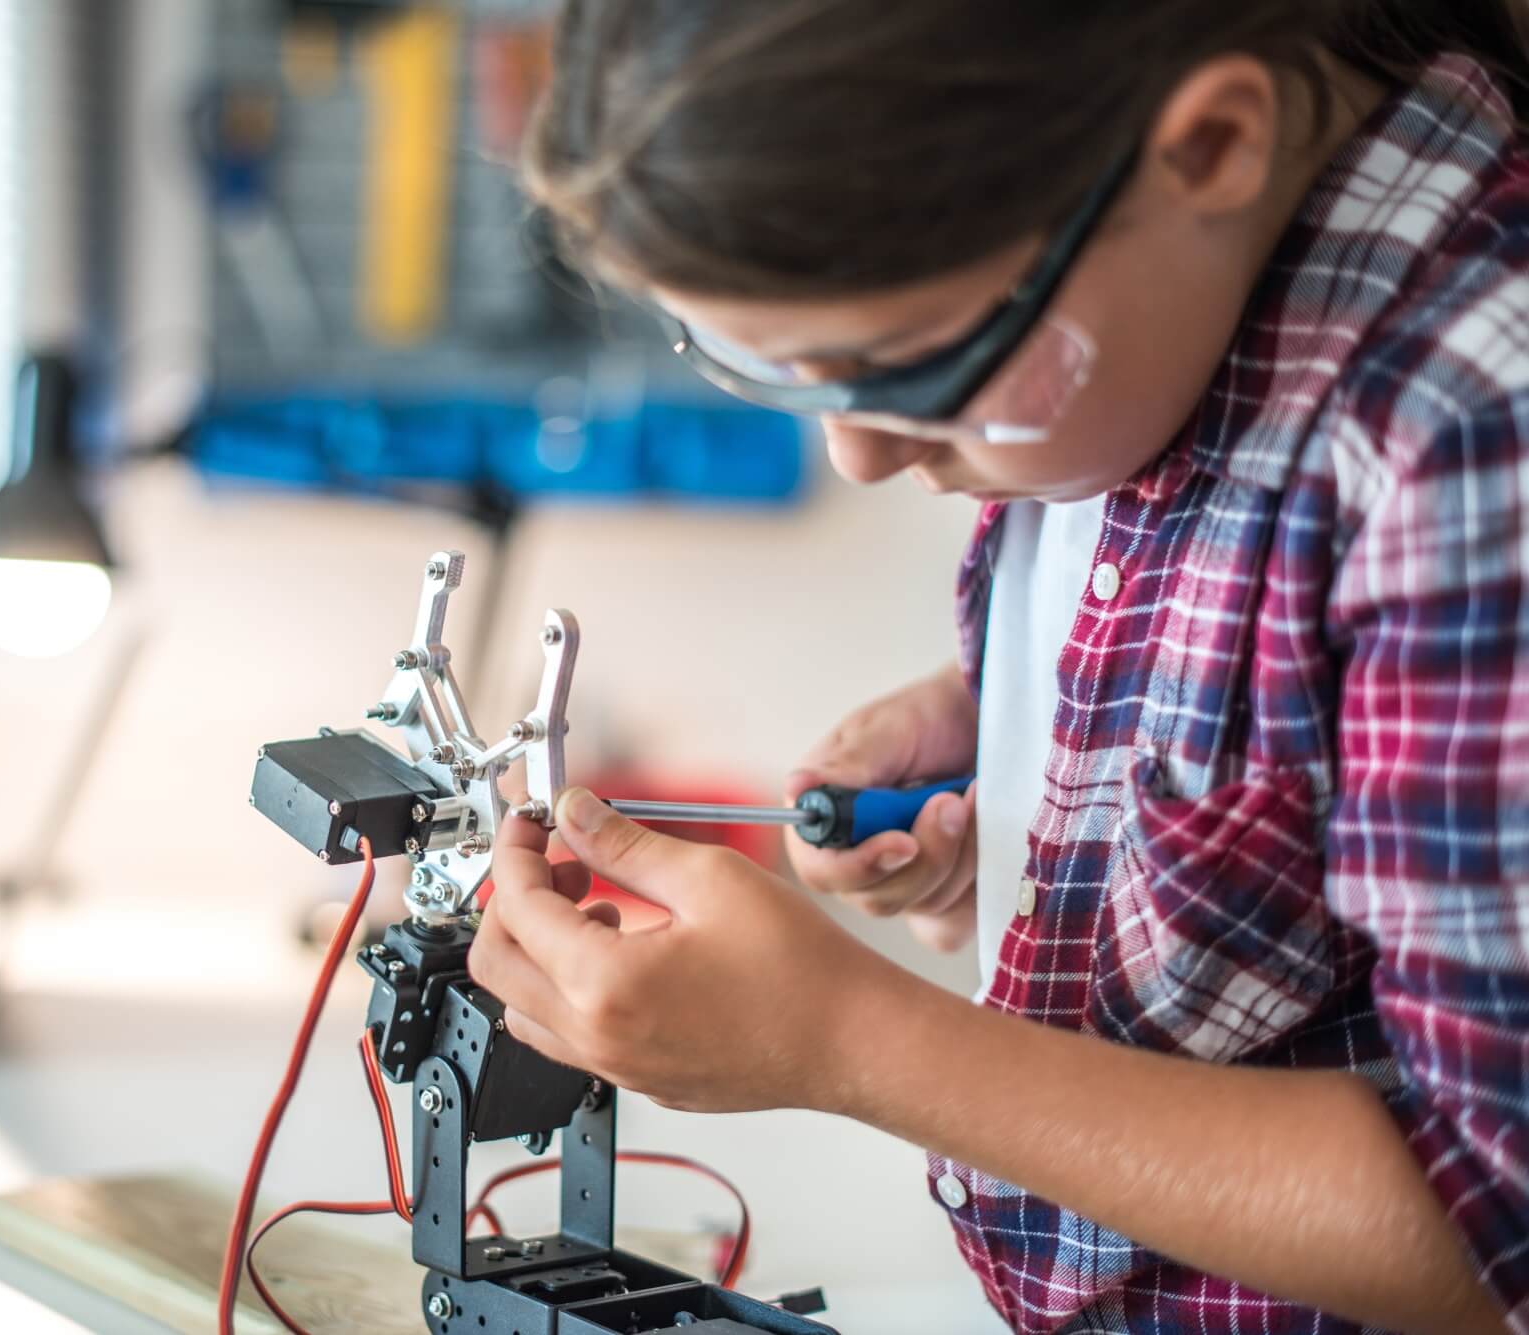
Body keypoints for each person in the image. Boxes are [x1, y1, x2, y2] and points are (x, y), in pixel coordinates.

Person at [465, 3, 1529, 1331]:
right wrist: (1028, 761)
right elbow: (1318, 686)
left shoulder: (1479, 429)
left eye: (913, 368)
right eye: (772, 368)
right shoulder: (1130, 338)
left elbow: (1490, 1233)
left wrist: (847, 1041)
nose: (862, 455)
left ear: (1210, 146)